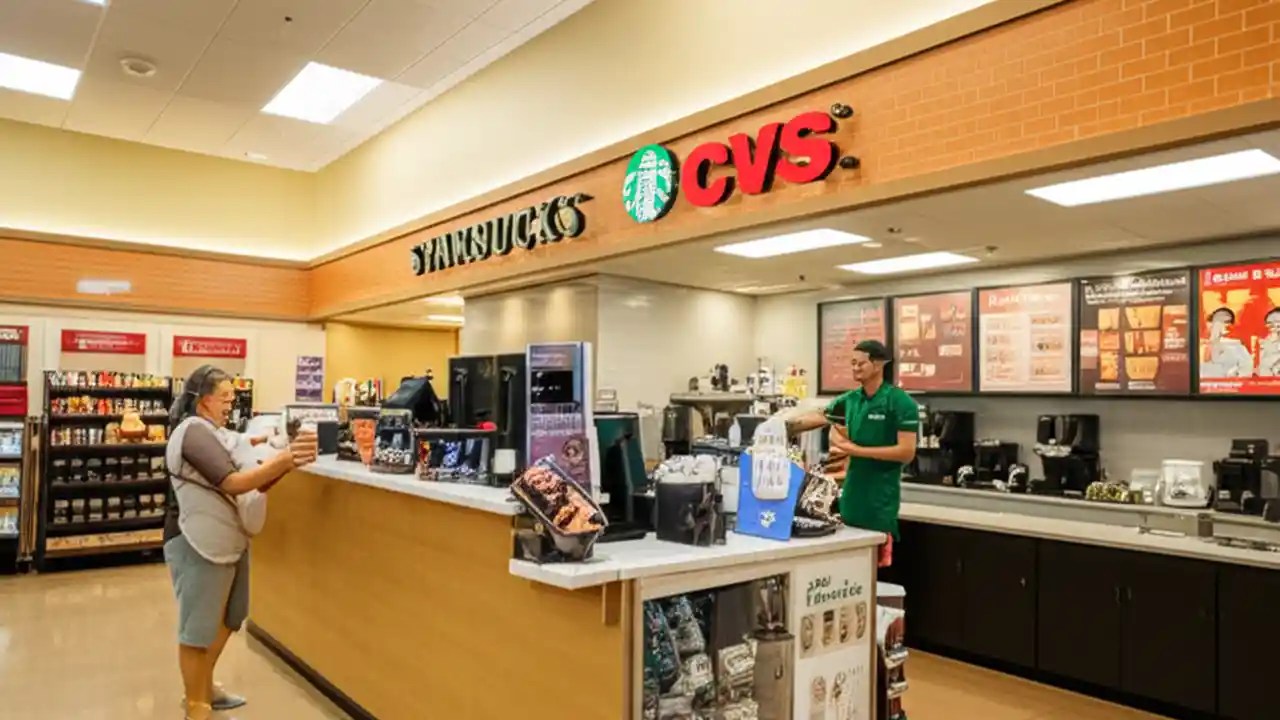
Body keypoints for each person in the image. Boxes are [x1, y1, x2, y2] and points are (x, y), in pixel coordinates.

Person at [163, 365, 317, 720]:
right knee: (197, 629)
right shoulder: (192, 434)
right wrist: (282, 459)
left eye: (233, 398)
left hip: (229, 538)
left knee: (232, 615)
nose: (230, 405)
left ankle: (205, 683)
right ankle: (196, 704)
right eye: (224, 398)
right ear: (203, 402)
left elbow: (252, 479)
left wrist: (281, 464)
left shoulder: (219, 433)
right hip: (195, 542)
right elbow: (231, 482)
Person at [784, 339, 918, 568]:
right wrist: (781, 427)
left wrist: (855, 450)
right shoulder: (851, 400)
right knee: (849, 569)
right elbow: (819, 416)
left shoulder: (900, 402)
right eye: (852, 363)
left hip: (880, 501)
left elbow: (906, 452)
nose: (855, 368)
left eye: (860, 364)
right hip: (851, 498)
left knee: (873, 570)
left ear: (878, 365)